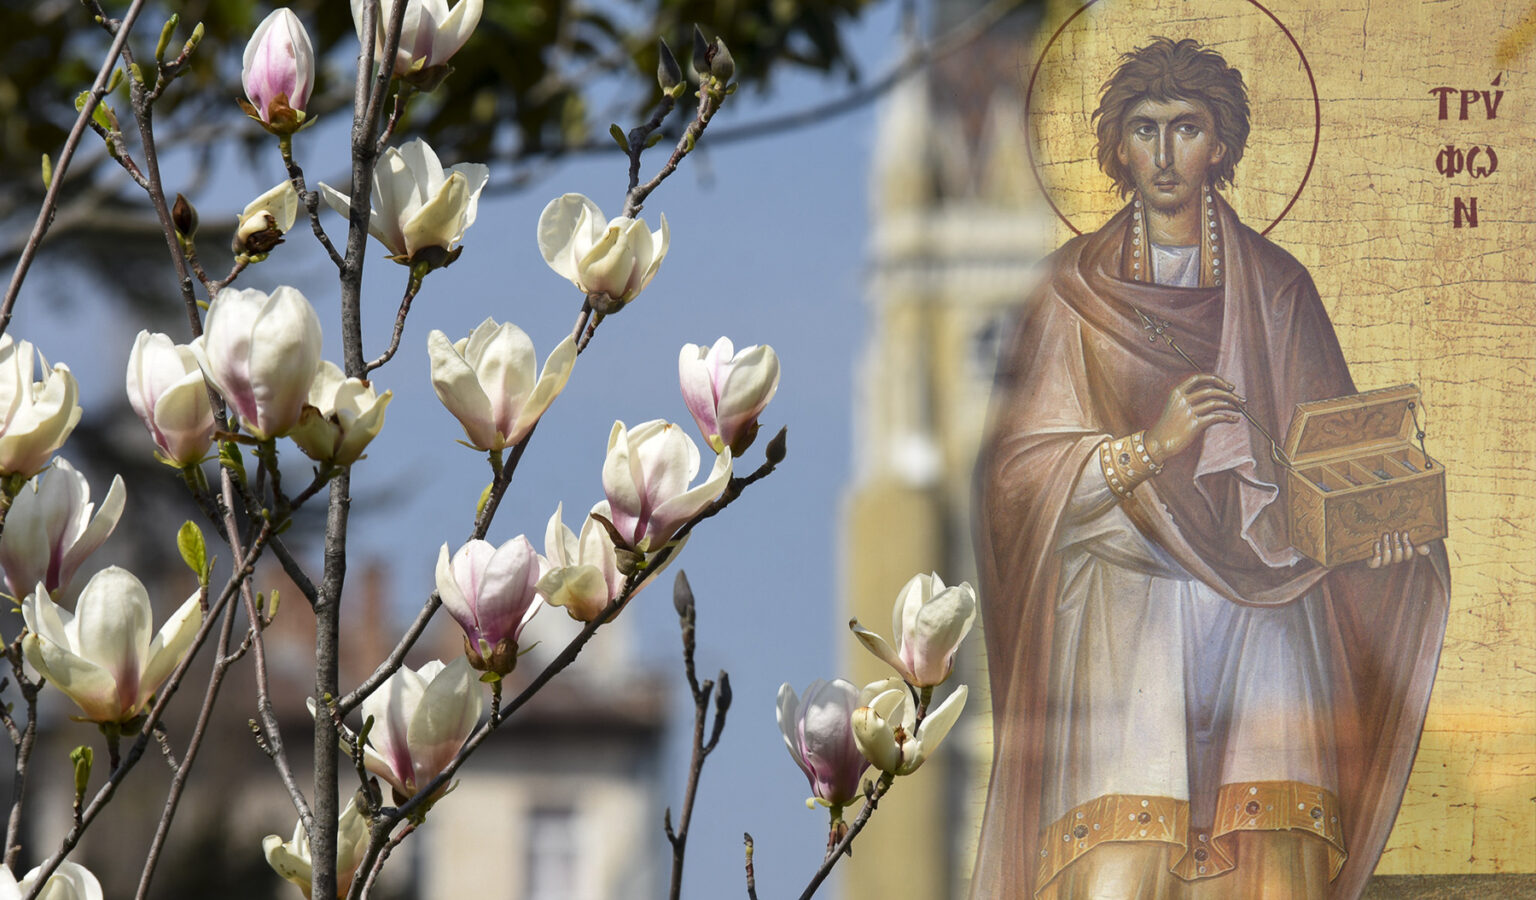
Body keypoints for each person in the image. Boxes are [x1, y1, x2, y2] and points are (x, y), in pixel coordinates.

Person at [970, 38, 1449, 900]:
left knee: (1272, 859)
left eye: (1185, 129)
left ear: (1220, 145)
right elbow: (1015, 478)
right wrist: (1149, 448)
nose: (1163, 155)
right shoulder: (1066, 294)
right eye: (1143, 130)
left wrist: (1381, 543)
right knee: (1122, 867)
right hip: (1125, 605)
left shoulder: (1277, 291)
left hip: (1265, 601)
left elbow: (1332, 467)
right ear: (1115, 147)